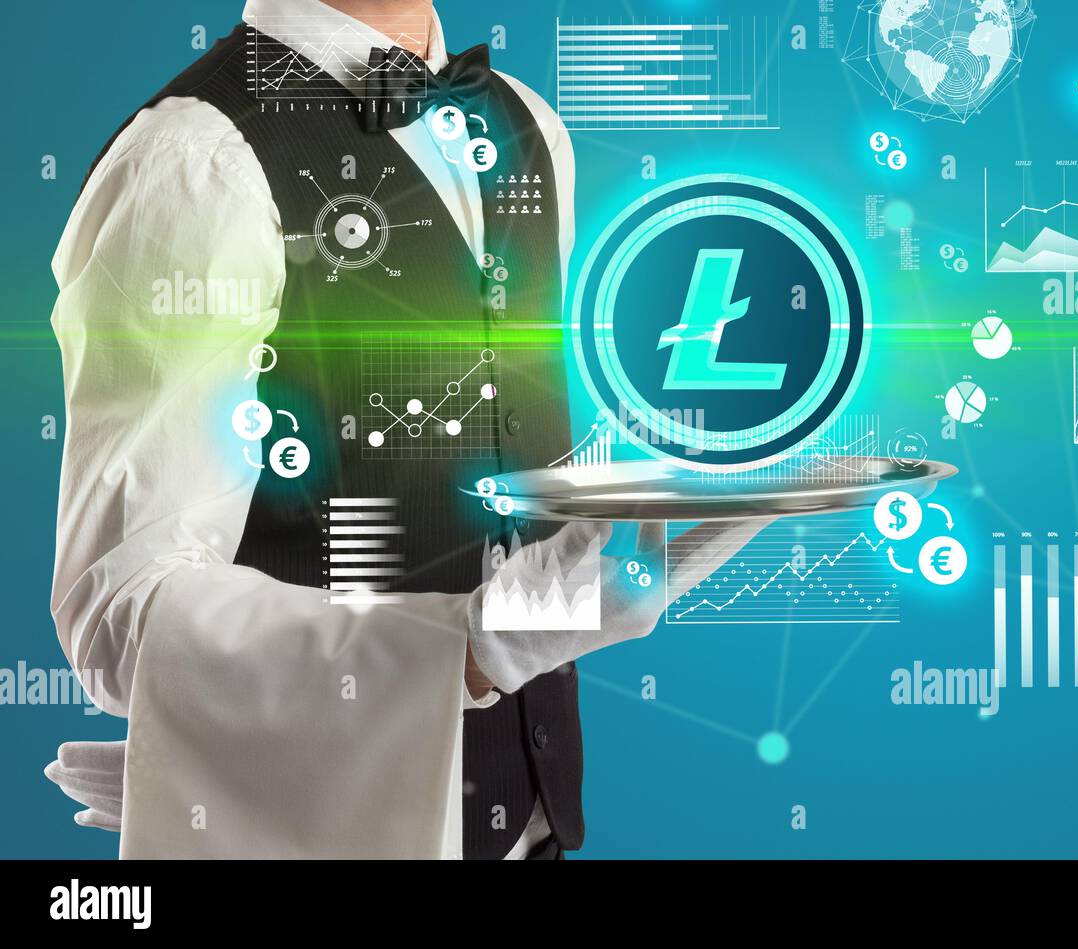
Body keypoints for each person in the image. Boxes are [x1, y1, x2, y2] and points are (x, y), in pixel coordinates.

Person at [45, 0, 767, 859]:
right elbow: (122, 610)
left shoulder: (530, 125)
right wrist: (460, 650)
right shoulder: (194, 158)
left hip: (534, 822)